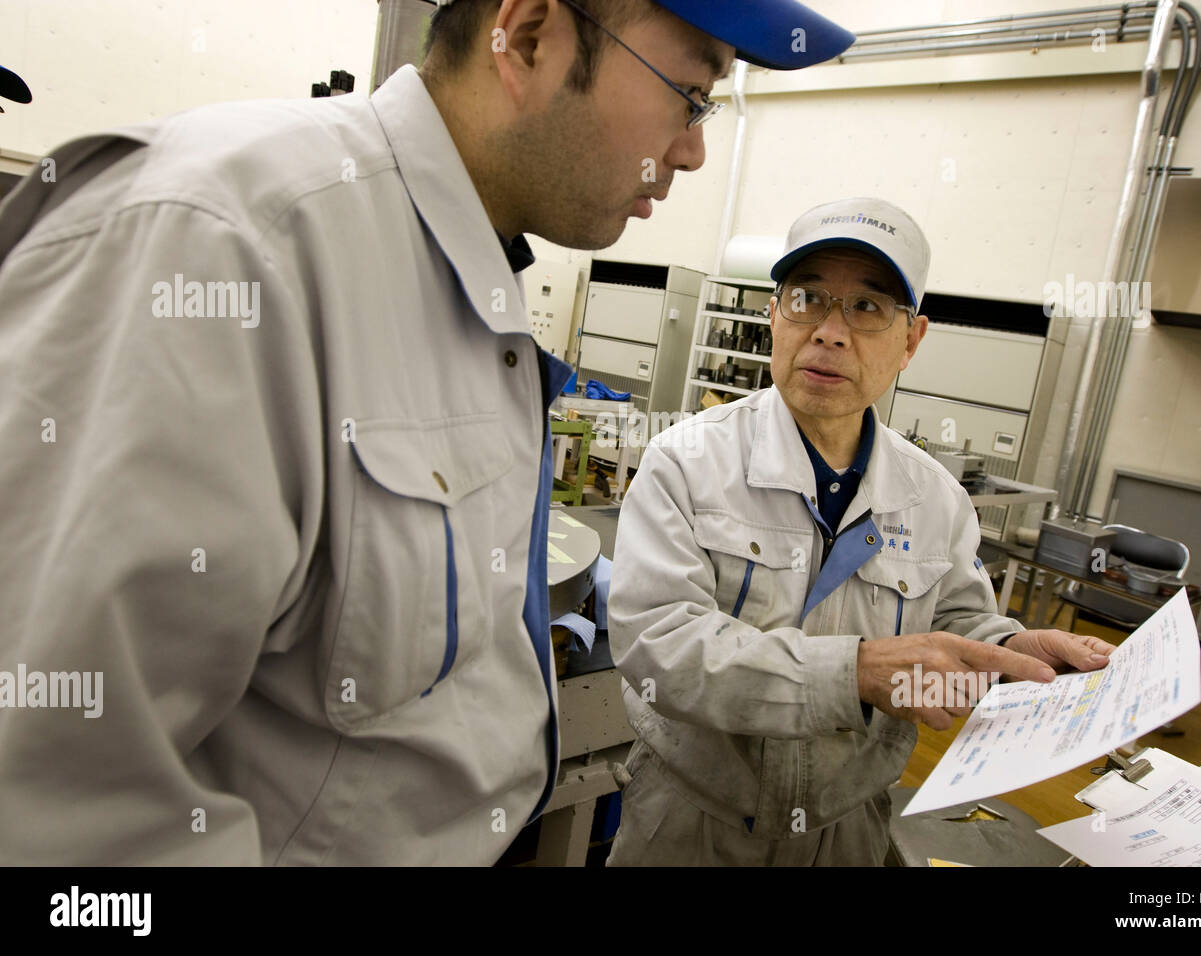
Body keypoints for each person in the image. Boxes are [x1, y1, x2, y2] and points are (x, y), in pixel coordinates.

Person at [0, 0, 854, 864]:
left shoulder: (469, 277)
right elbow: (55, 806)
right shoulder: (227, 244)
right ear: (529, 38)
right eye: (692, 93)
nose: (694, 150)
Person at [606, 197, 1117, 866]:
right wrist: (855, 673)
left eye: (867, 307)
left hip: (847, 833)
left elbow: (955, 620)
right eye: (807, 299)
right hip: (691, 826)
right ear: (773, 315)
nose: (830, 332)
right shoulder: (685, 462)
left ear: (911, 341)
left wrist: (1011, 649)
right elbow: (659, 650)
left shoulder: (935, 500)